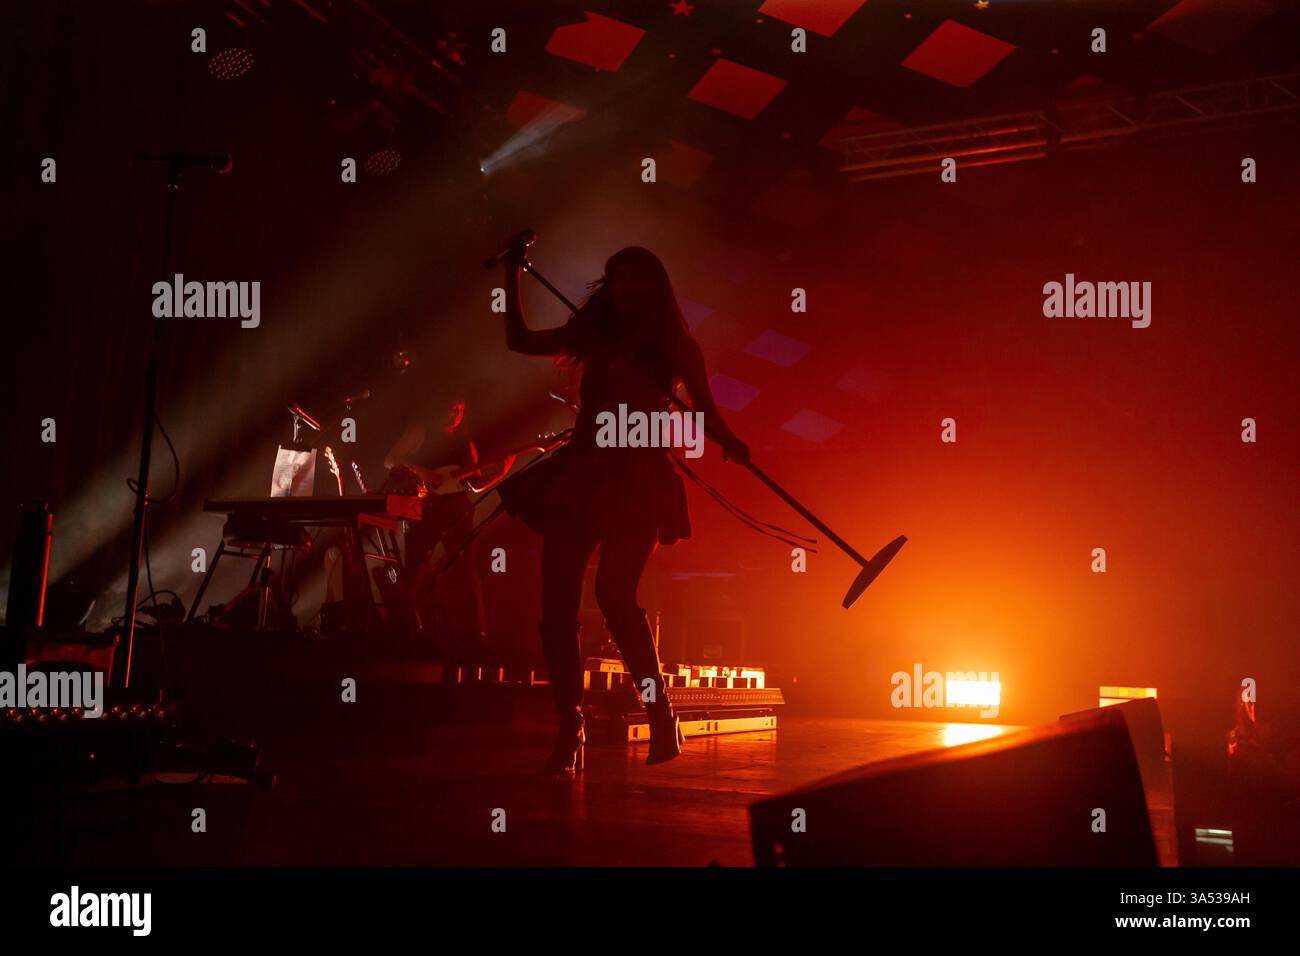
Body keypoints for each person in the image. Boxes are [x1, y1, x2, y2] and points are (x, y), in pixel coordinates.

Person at [497, 244, 749, 776]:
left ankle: (659, 711)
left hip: (639, 478)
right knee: (556, 605)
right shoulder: (592, 333)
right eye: (617, 280)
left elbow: (705, 409)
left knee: (614, 595)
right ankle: (570, 722)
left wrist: (729, 440)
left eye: (636, 280)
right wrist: (510, 273)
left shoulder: (679, 346)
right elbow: (518, 340)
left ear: (656, 286)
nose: (626, 289)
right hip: (582, 476)